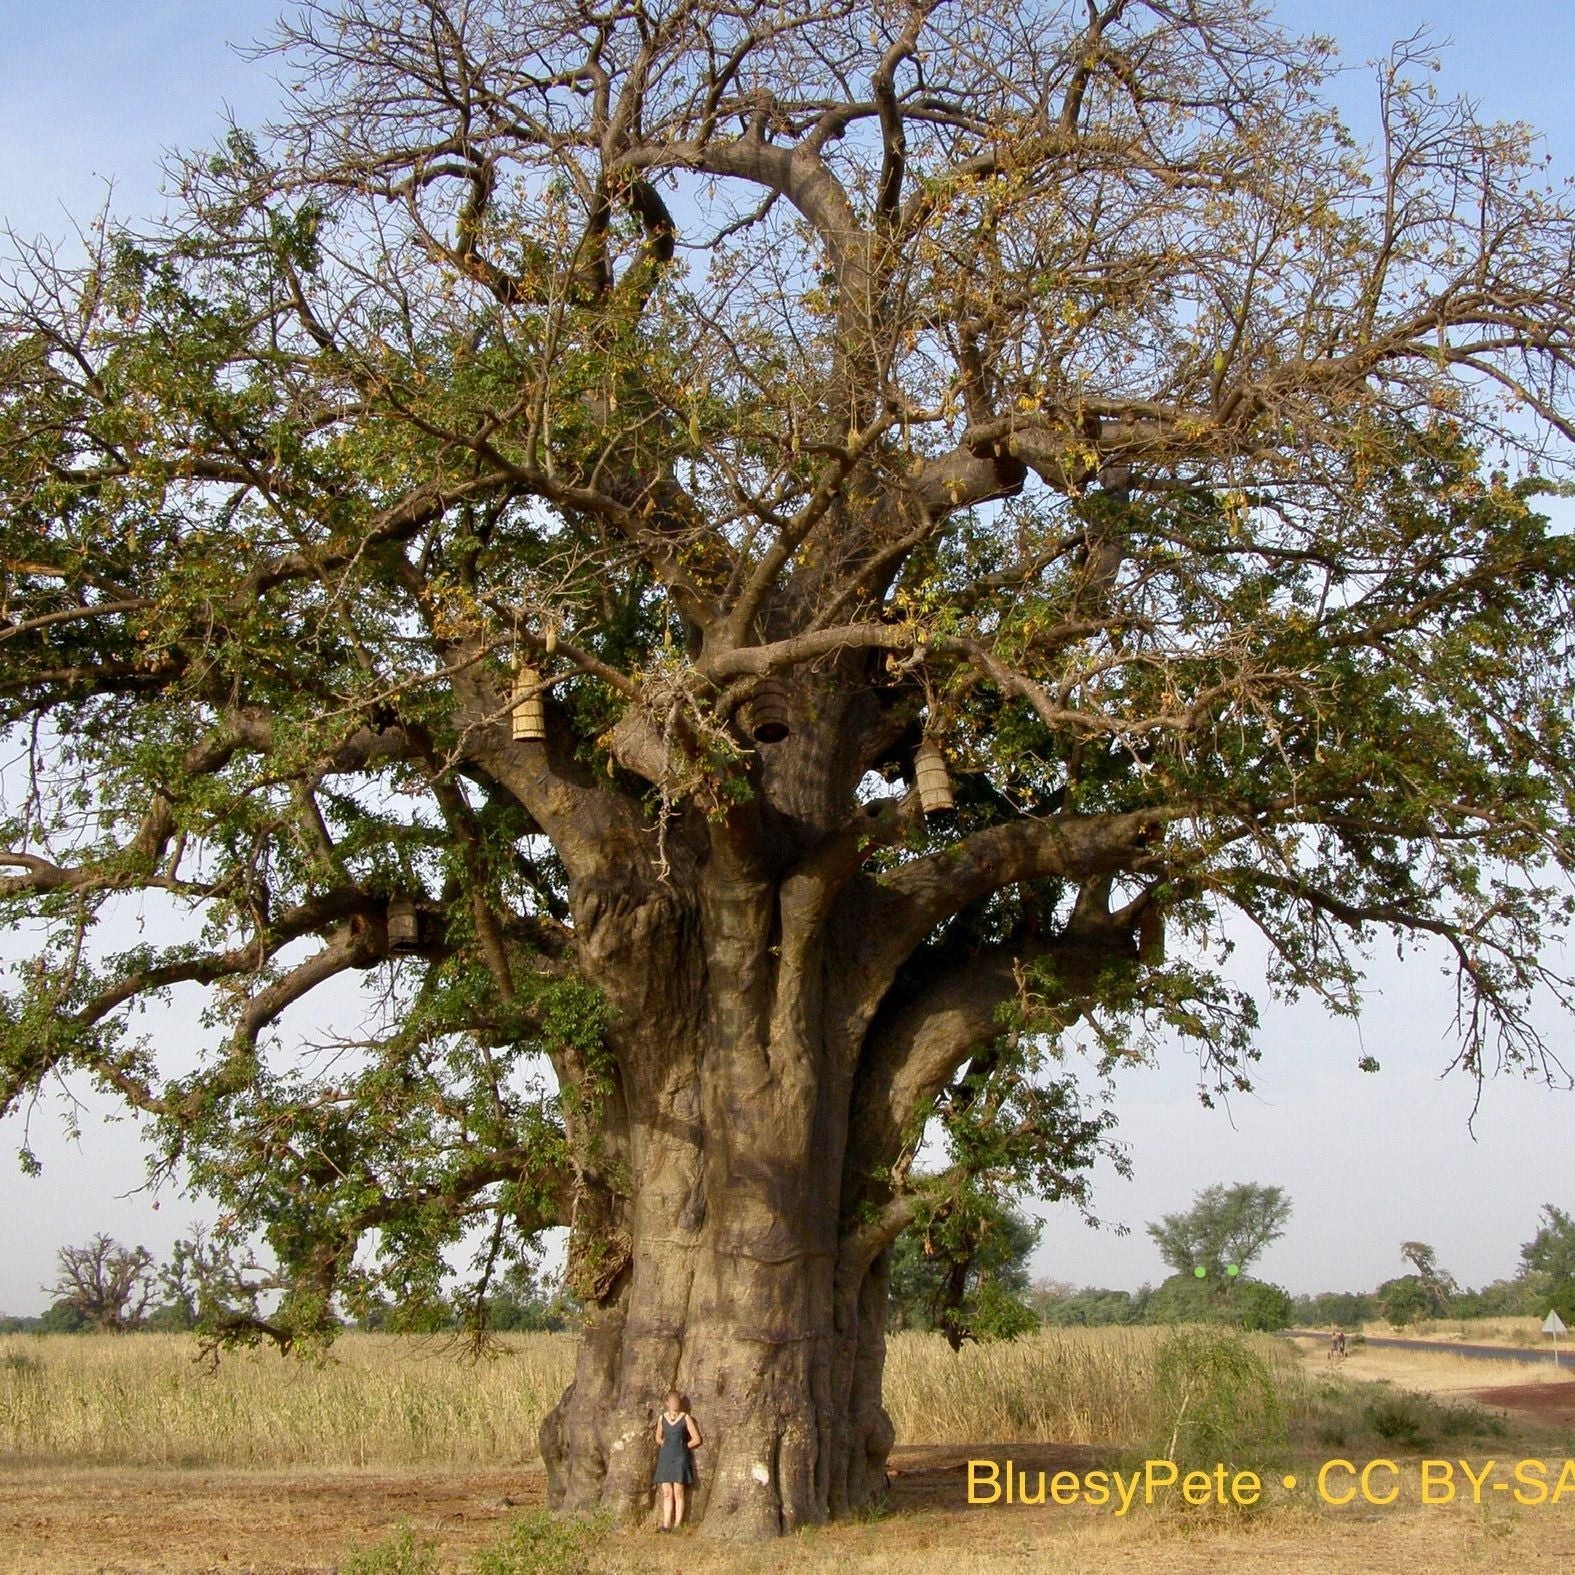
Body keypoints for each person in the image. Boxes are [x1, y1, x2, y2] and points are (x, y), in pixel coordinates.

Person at [653, 1389, 702, 1531]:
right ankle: (666, 1523)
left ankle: (678, 1524)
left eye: (677, 1402)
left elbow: (696, 1439)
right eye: (672, 1401)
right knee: (667, 1492)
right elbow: (658, 1437)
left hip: (680, 1457)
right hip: (666, 1457)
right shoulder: (662, 1418)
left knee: (678, 1491)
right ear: (667, 1403)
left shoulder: (685, 1418)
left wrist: (683, 1447)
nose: (675, 1404)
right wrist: (665, 1444)